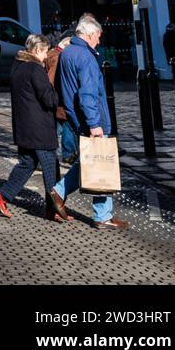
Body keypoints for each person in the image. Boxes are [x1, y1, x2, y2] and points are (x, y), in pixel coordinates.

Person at [49, 14, 127, 231]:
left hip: (75, 117)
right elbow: (87, 95)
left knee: (88, 160)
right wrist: (94, 124)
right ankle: (102, 216)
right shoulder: (85, 57)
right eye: (98, 36)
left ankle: (60, 191)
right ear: (90, 33)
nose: (99, 41)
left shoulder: (68, 53)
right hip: (90, 119)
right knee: (102, 163)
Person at [0, 34, 69, 222]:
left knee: (26, 164)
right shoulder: (35, 69)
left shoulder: (18, 67)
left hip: (24, 128)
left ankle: (2, 196)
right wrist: (58, 93)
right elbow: (49, 99)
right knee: (51, 169)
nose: (45, 56)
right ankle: (54, 209)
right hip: (39, 129)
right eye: (44, 52)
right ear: (37, 50)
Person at [45, 35, 77, 165]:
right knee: (66, 126)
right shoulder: (58, 57)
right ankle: (67, 154)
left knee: (59, 127)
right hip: (61, 100)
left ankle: (64, 153)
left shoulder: (52, 54)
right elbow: (51, 80)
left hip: (58, 100)